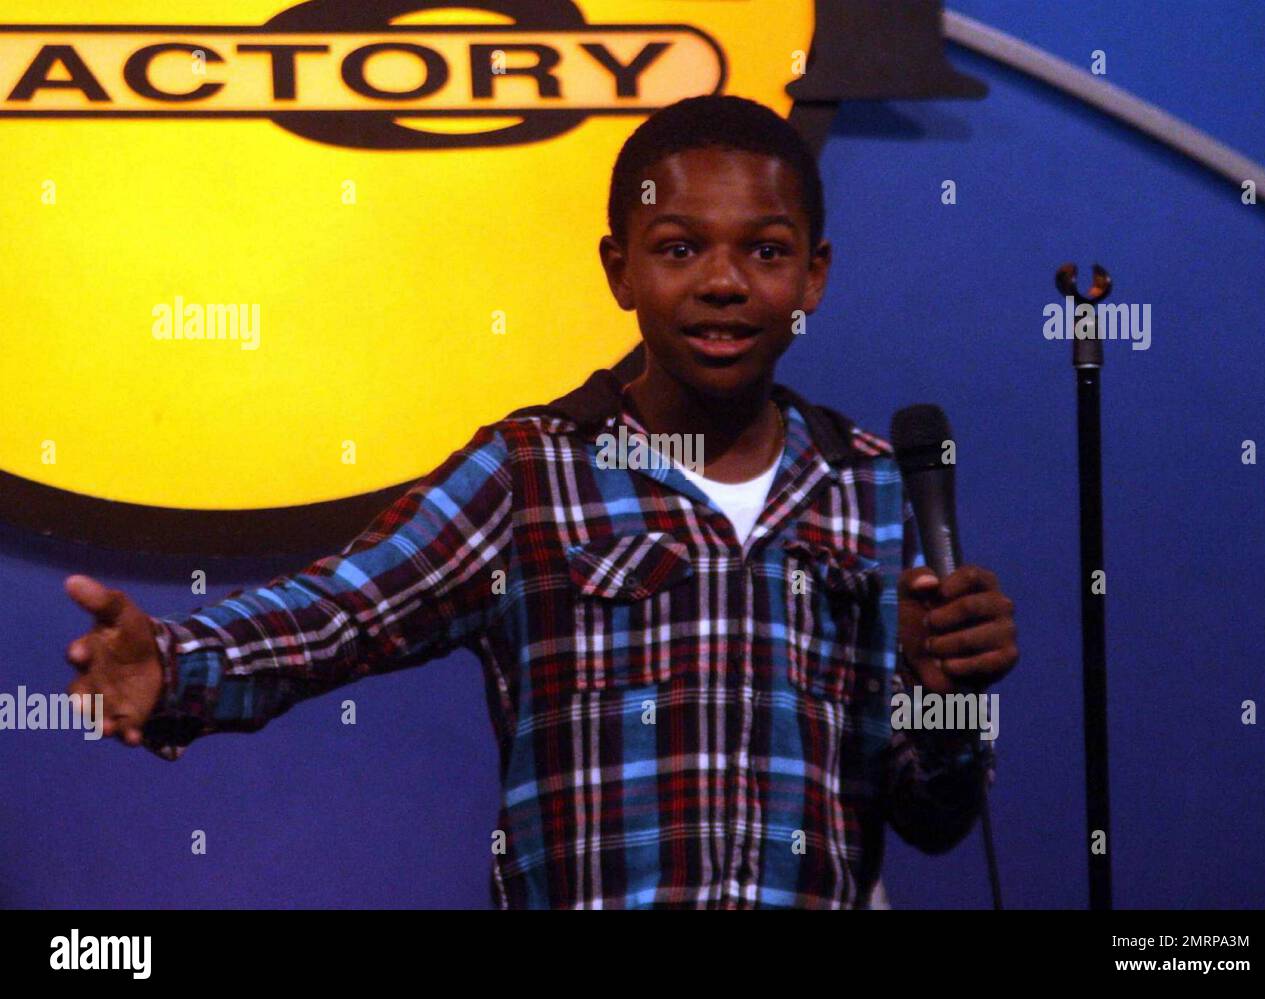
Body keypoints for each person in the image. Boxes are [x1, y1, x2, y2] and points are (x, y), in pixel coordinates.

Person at [64, 94, 1018, 909]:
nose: (725, 283)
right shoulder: (531, 471)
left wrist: (948, 705)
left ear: (814, 275)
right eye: (681, 248)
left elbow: (934, 814)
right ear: (620, 271)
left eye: (766, 252)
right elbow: (341, 610)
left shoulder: (873, 486)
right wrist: (177, 661)